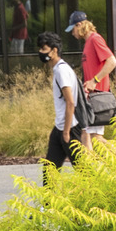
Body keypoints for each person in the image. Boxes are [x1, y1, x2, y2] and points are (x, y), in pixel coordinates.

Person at [74, 16, 116, 148]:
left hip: (98, 97)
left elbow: (112, 62)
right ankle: (91, 166)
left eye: (73, 29)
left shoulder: (95, 39)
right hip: (92, 96)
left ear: (80, 24)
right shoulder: (88, 42)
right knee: (90, 135)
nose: (72, 33)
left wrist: (94, 80)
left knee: (91, 136)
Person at [39, 31, 81, 169]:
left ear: (54, 50)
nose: (41, 52)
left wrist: (66, 132)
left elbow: (70, 102)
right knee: (50, 170)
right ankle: (48, 191)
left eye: (44, 49)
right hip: (60, 127)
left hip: (69, 128)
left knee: (84, 171)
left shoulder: (61, 71)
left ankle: (97, 191)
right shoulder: (59, 69)